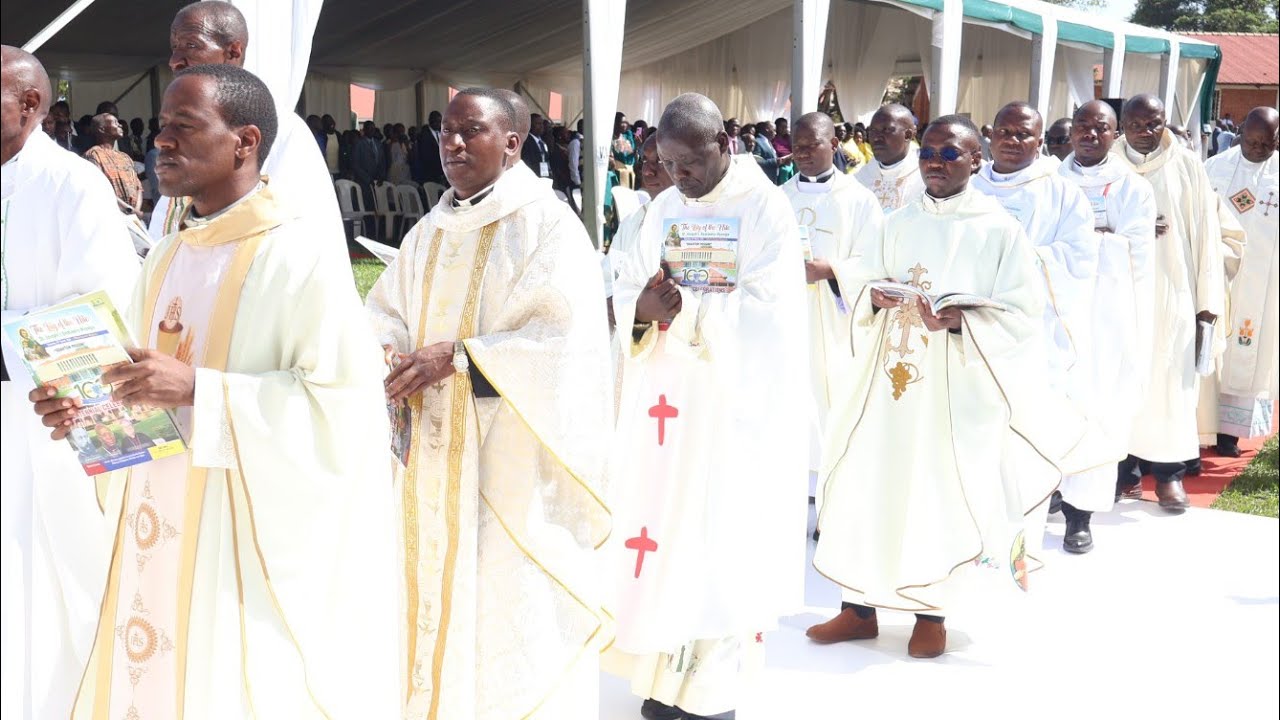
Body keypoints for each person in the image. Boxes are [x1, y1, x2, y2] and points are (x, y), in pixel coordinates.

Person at [31, 64, 399, 719]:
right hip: (159, 520)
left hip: (238, 537)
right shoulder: (167, 257)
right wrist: (88, 407)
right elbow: (142, 389)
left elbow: (346, 409)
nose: (160, 141)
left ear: (244, 140)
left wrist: (204, 390)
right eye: (162, 126)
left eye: (184, 126)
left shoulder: (299, 256)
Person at [806, 115, 1094, 660]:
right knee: (870, 482)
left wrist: (960, 319)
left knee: (935, 491)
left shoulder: (998, 229)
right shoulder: (895, 221)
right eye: (929, 153)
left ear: (975, 162)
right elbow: (863, 276)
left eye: (950, 154)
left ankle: (930, 612)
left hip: (955, 388)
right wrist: (872, 296)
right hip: (887, 384)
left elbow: (1023, 312)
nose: (935, 163)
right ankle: (858, 607)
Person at [365, 88, 611, 719]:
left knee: (506, 601)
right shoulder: (428, 231)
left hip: (507, 459)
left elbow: (566, 341)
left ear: (512, 141)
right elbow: (384, 310)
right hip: (430, 456)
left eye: (470, 131)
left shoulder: (546, 225)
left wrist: (462, 358)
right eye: (445, 131)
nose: (452, 144)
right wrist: (391, 352)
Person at [606, 92, 807, 720]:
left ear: (724, 144)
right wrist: (637, 311)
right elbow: (622, 277)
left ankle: (711, 695)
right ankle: (661, 683)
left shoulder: (766, 209)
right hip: (665, 405)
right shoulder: (661, 207)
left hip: (731, 411)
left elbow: (772, 311)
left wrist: (687, 311)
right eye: (667, 162)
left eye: (690, 162)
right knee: (663, 534)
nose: (678, 176)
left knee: (717, 544)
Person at [0, 45, 139, 720]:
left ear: (31, 106)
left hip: (41, 423)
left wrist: (7, 349)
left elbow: (103, 313)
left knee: (42, 592)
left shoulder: (71, 185)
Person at [1112, 93, 1226, 511]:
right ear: (1122, 123)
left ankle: (1168, 476)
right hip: (1119, 293)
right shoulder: (1106, 165)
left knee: (1171, 385)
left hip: (1173, 293)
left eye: (1154, 123)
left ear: (1164, 122)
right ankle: (1121, 471)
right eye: (1136, 123)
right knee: (1120, 380)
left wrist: (1206, 305)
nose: (1145, 131)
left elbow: (1207, 235)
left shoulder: (1186, 165)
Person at [1055, 100, 1158, 552]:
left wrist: (1084, 243)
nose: (1089, 135)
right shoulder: (1049, 179)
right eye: (1082, 126)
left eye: (1100, 128)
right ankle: (1049, 491)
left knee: (1095, 408)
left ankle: (1082, 515)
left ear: (1113, 134)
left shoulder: (1132, 187)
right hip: (1054, 308)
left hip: (1102, 313)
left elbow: (1137, 248)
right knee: (1048, 403)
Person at [148, 1, 341, 241]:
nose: (175, 60)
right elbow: (164, 228)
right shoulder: (176, 131)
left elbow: (299, 233)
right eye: (174, 47)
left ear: (233, 52)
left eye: (191, 45)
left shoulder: (282, 129)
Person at [781, 111, 884, 515]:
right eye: (797, 147)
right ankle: (794, 492)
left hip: (837, 320)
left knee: (833, 404)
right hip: (788, 316)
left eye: (812, 145)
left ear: (834, 144)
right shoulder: (779, 196)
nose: (803, 154)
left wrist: (832, 270)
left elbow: (875, 261)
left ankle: (834, 499)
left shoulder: (859, 199)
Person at [1201, 107, 1279, 456]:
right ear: (1241, 132)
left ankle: (1230, 433)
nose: (1258, 149)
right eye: (1252, 141)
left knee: (1249, 352)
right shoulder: (1214, 167)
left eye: (1267, 143)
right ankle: (1202, 426)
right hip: (1220, 277)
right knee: (1212, 349)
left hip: (1264, 284)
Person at [855, 103, 926, 212]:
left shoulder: (924, 180)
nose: (877, 138)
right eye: (873, 131)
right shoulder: (861, 177)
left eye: (887, 130)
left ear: (907, 135)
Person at [83, 112, 143, 214]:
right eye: (115, 122)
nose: (120, 125)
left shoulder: (125, 157)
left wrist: (136, 210)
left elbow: (139, 188)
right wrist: (128, 209)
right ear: (101, 129)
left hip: (133, 217)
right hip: (110, 216)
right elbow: (100, 189)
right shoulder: (93, 155)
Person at [417, 110, 446, 185]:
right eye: (437, 122)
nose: (440, 124)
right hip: (429, 173)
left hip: (441, 173)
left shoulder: (441, 134)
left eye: (440, 121)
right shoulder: (424, 136)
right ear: (430, 121)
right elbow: (425, 156)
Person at [612, 111, 638, 188]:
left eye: (625, 122)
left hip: (630, 172)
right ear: (615, 123)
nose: (624, 125)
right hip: (617, 173)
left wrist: (637, 146)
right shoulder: (610, 139)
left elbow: (630, 156)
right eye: (622, 122)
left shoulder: (628, 136)